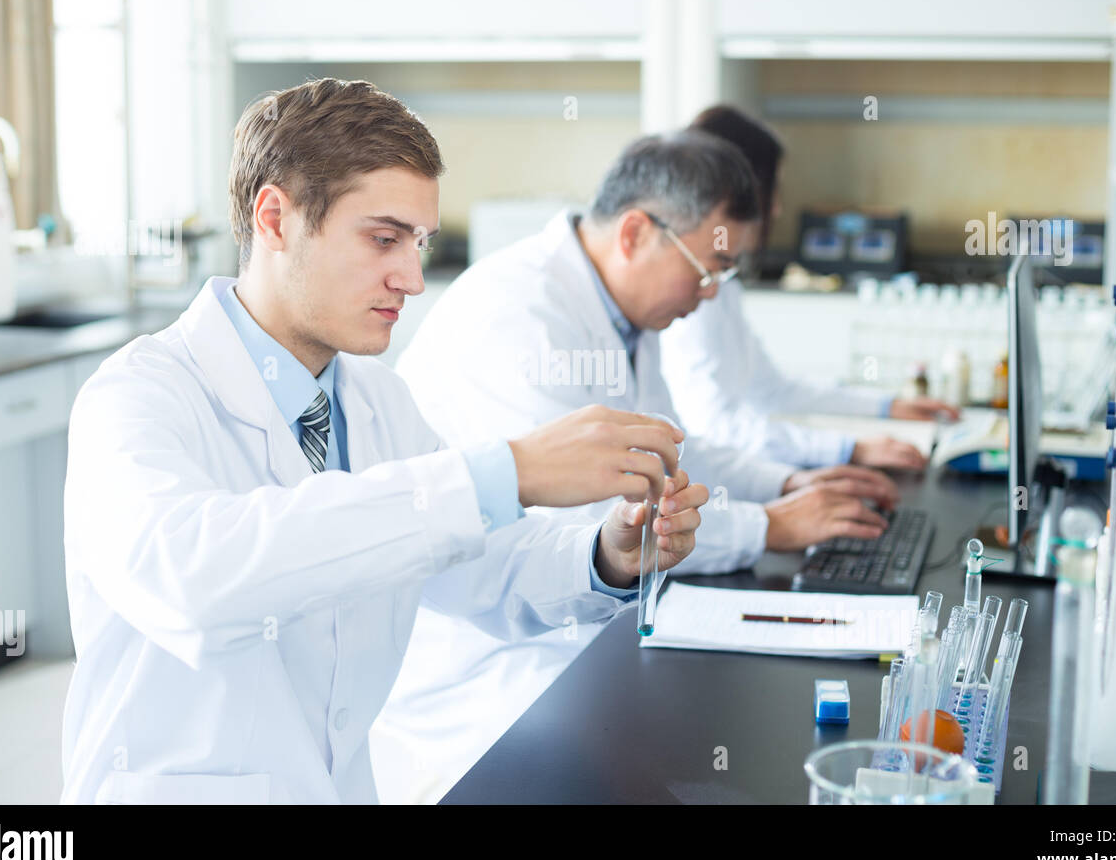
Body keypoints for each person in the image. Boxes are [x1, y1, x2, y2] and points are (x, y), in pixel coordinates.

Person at [59, 78, 708, 804]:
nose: (413, 278)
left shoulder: (375, 400)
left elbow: (472, 561)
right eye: (383, 238)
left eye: (420, 242)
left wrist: (607, 554)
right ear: (275, 217)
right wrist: (507, 470)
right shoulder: (137, 396)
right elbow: (192, 581)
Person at [370, 130, 896, 803]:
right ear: (636, 233)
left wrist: (786, 484)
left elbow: (673, 448)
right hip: (493, 664)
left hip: (580, 625)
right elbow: (598, 515)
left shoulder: (621, 317)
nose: (709, 295)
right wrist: (770, 528)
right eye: (705, 270)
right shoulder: (521, 316)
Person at [659, 104, 959, 471]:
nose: (777, 209)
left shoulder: (722, 285)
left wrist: (887, 407)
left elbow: (772, 389)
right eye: (773, 190)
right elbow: (716, 425)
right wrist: (849, 450)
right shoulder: (690, 295)